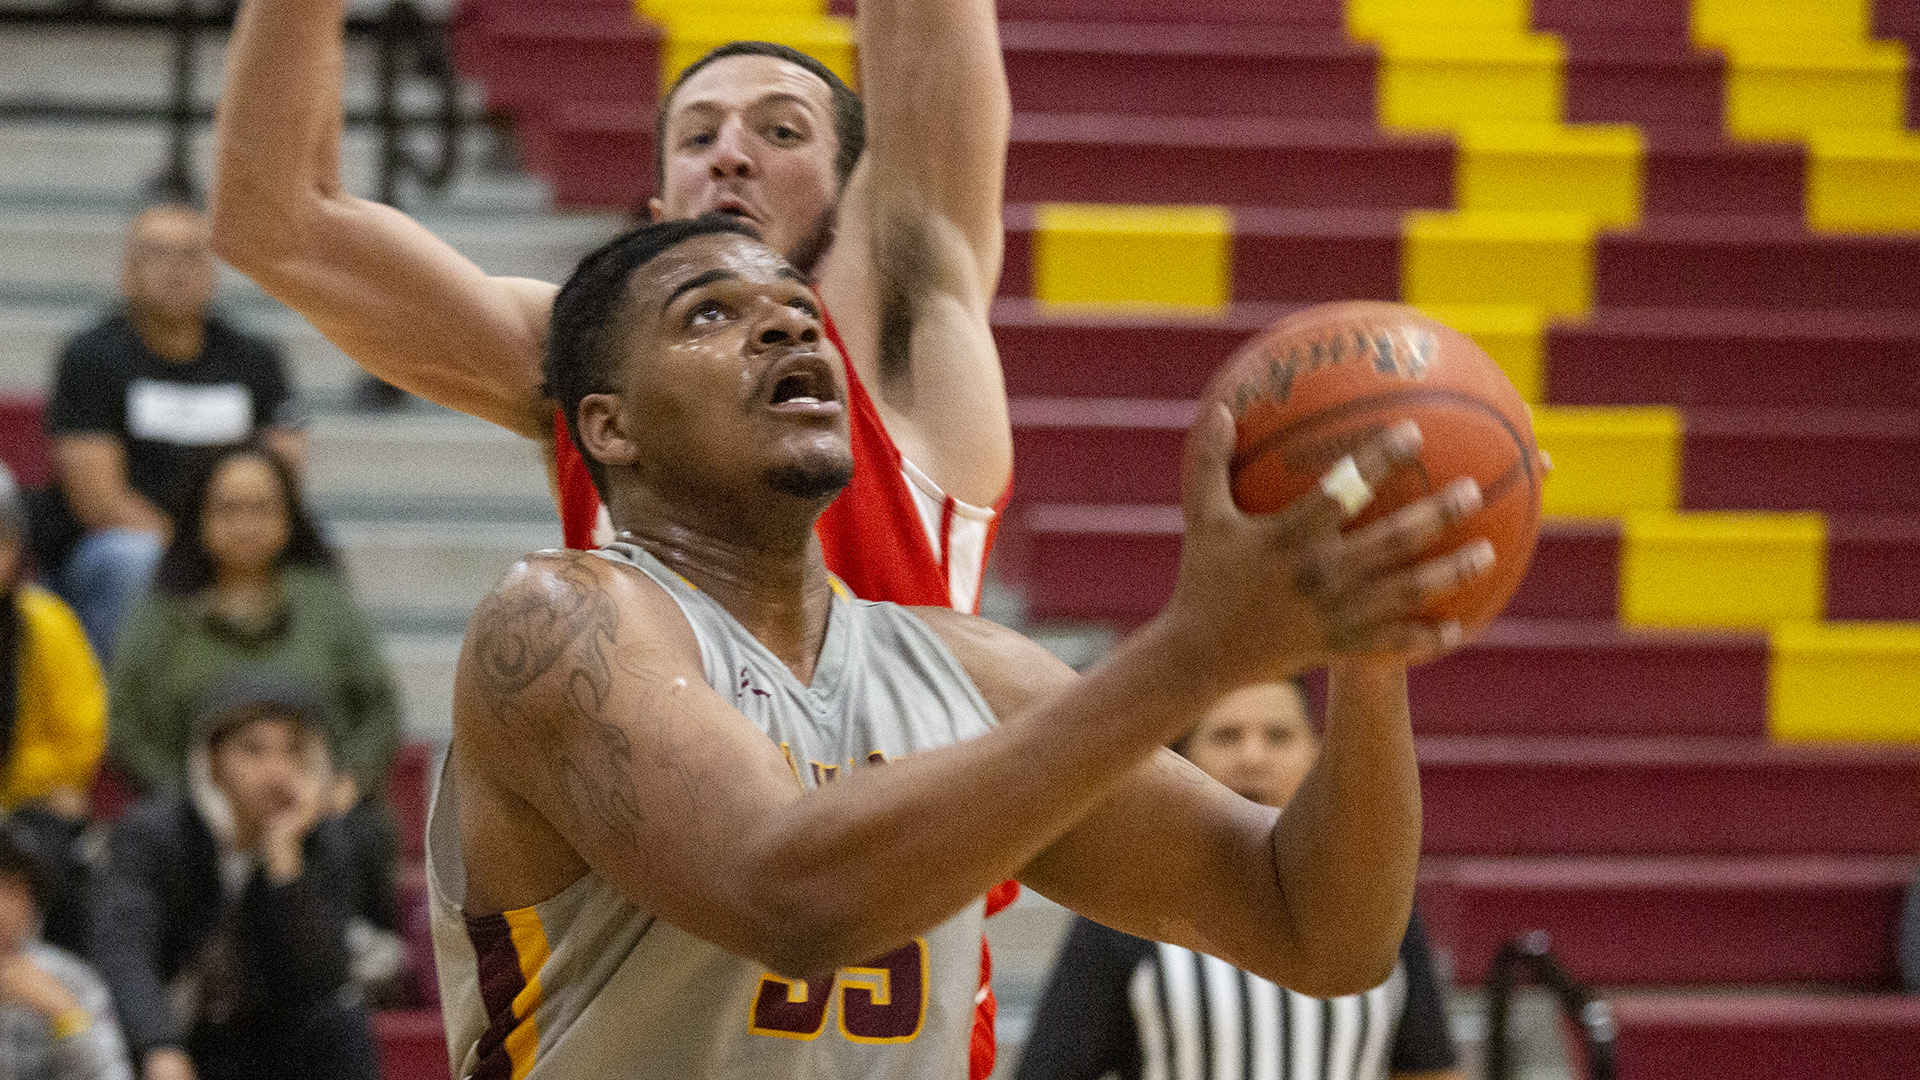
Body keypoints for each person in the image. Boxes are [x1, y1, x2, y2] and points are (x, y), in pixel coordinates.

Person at [422, 215, 1494, 1076]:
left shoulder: (968, 670)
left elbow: (1318, 929)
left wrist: (1367, 635)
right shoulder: (558, 622)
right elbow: (787, 896)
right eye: (710, 315)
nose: (790, 330)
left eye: (801, 312)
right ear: (608, 428)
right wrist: (1191, 657)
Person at [214, 0, 1018, 1067]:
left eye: (782, 132)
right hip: (640, 966)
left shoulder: (908, 338)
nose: (733, 151)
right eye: (698, 135)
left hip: (872, 990)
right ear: (654, 211)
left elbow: (929, 72)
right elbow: (282, 218)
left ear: (859, 200)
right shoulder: (587, 373)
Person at [1016, 680, 1465, 1080]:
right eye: (1227, 736)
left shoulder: (1375, 904)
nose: (1253, 758)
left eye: (1278, 736)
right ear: (1183, 758)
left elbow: (1428, 1069)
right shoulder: (1123, 908)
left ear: (1315, 753)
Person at [90, 673, 392, 1080]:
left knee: (339, 1018)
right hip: (162, 1031)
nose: (276, 771)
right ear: (211, 761)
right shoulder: (155, 832)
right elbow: (125, 951)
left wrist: (284, 859)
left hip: (253, 1042)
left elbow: (319, 978)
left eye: (293, 752)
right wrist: (158, 1045)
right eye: (254, 750)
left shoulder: (322, 840)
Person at [44, 204, 305, 659]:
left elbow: (284, 474)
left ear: (213, 273)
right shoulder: (89, 358)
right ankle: (129, 718)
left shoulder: (255, 359)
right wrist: (196, 550)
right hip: (123, 545)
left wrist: (233, 543)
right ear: (128, 270)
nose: (175, 270)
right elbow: (100, 503)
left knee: (314, 573)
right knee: (136, 563)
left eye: (191, 257)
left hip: (233, 532)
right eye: (158, 254)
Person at [105, 442, 399, 812]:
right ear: (199, 517)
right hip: (191, 821)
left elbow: (379, 708)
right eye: (229, 509)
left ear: (289, 517)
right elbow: (128, 721)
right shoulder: (163, 607)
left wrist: (345, 785)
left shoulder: (324, 599)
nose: (246, 525)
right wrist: (191, 806)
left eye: (262, 508)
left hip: (319, 812)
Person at [0, 464, 108, 956]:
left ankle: (61, 987)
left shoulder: (47, 623)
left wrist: (19, 789)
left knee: (61, 854)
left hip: (23, 814)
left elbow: (78, 740)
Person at [0, 825, 133, 1080]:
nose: (2, 909)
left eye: (14, 892)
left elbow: (113, 1074)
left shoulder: (70, 978)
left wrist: (66, 1015)